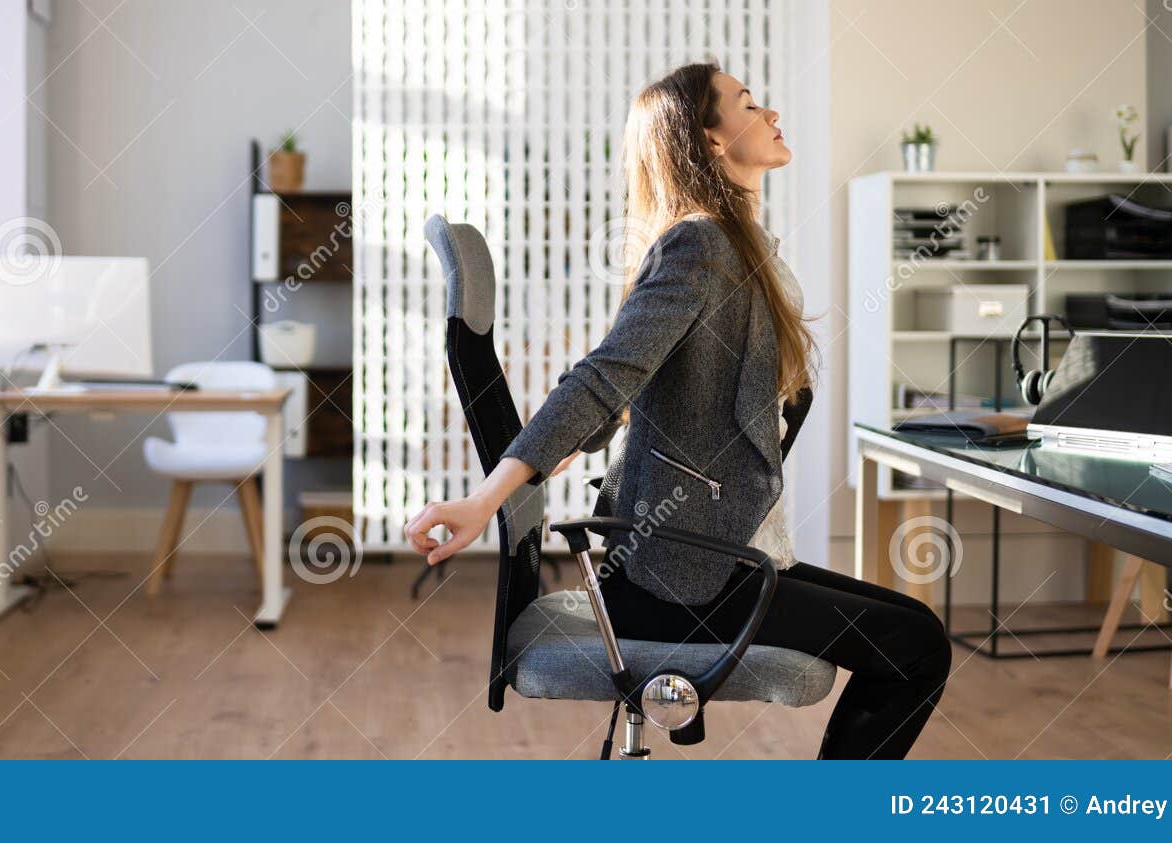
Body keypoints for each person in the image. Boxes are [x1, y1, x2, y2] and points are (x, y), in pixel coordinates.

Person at [404, 61, 951, 759]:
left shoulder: (737, 246)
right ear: (712, 140)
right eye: (750, 105)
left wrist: (583, 437)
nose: (772, 114)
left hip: (722, 555)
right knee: (916, 647)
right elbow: (604, 378)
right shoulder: (702, 245)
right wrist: (486, 500)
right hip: (680, 580)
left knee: (914, 628)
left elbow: (627, 391)